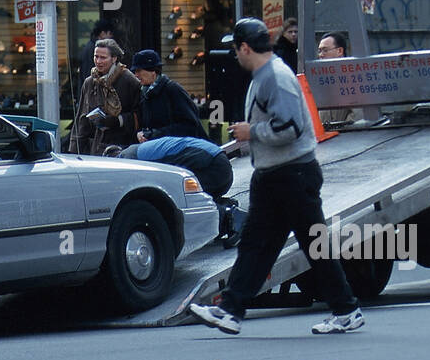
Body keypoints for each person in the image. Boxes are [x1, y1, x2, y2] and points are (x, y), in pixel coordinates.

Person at [189, 18, 364, 336]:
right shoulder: (265, 75)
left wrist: (250, 131)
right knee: (261, 244)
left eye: (235, 48)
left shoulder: (275, 78)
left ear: (245, 47)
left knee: (304, 244)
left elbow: (291, 127)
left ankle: (346, 309)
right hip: (278, 174)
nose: (234, 55)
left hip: (291, 174)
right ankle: (231, 309)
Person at [113, 136, 244, 246]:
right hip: (219, 163)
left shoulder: (127, 160)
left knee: (176, 198)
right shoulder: (140, 151)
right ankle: (225, 208)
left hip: (212, 166)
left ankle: (230, 217)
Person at [68, 38, 142, 155]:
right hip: (96, 147)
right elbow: (81, 120)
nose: (98, 61)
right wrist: (74, 150)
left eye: (103, 57)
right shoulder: (90, 82)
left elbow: (139, 114)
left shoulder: (128, 80)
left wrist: (118, 120)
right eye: (96, 56)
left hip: (122, 146)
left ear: (114, 58)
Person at [131, 49, 206, 142]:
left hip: (185, 150)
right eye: (135, 71)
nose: (136, 75)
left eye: (139, 70)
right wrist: (141, 133)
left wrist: (156, 134)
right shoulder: (144, 94)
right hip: (158, 149)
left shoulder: (172, 89)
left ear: (153, 71)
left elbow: (190, 126)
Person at [78, 19, 119, 97]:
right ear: (102, 33)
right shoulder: (94, 49)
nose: (111, 36)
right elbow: (89, 74)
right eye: (110, 33)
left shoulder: (91, 46)